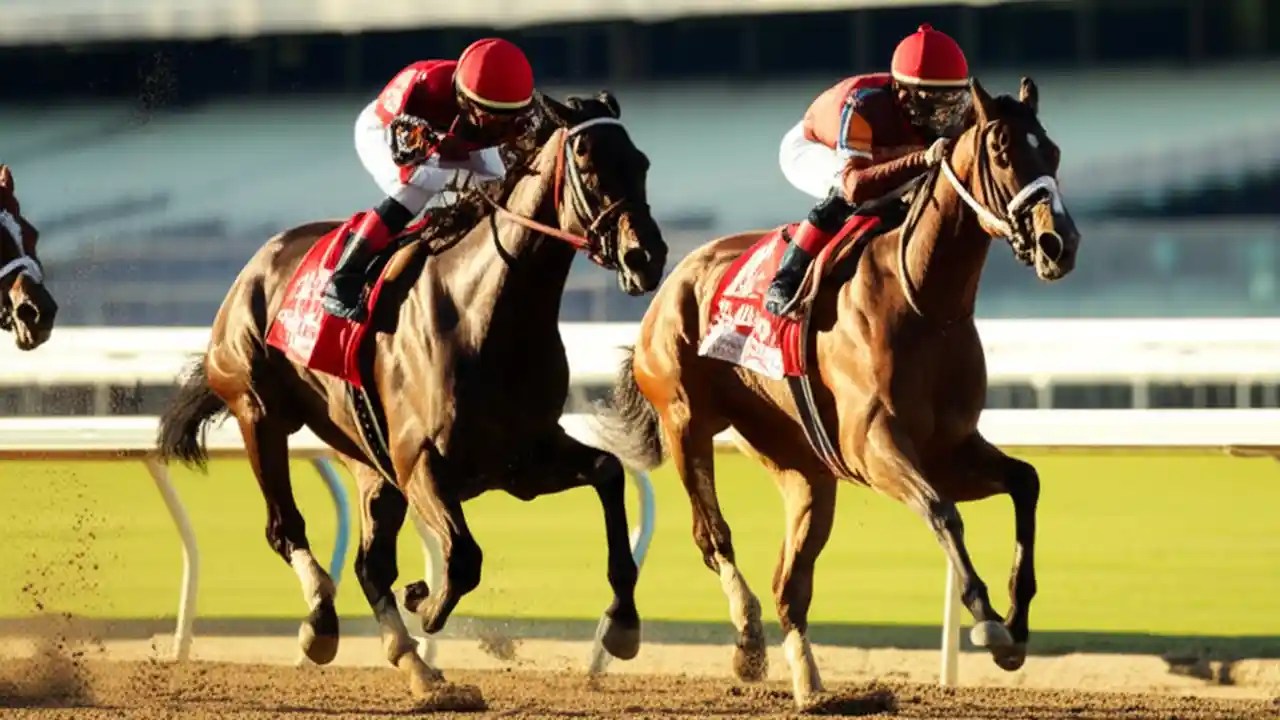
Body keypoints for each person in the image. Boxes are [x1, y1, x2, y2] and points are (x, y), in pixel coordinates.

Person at [764, 23, 972, 316]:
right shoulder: (863, 107)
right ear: (902, 93)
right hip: (814, 148)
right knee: (848, 197)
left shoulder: (956, 108)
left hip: (883, 150)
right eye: (932, 103)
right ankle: (785, 280)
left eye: (951, 100)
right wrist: (921, 159)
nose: (945, 115)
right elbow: (856, 186)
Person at [322, 37, 536, 321]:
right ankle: (343, 278)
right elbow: (404, 158)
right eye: (492, 117)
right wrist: (453, 169)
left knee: (502, 177)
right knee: (423, 183)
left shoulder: (512, 105)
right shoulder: (423, 86)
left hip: (448, 141)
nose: (501, 128)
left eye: (509, 118)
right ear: (464, 98)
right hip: (386, 133)